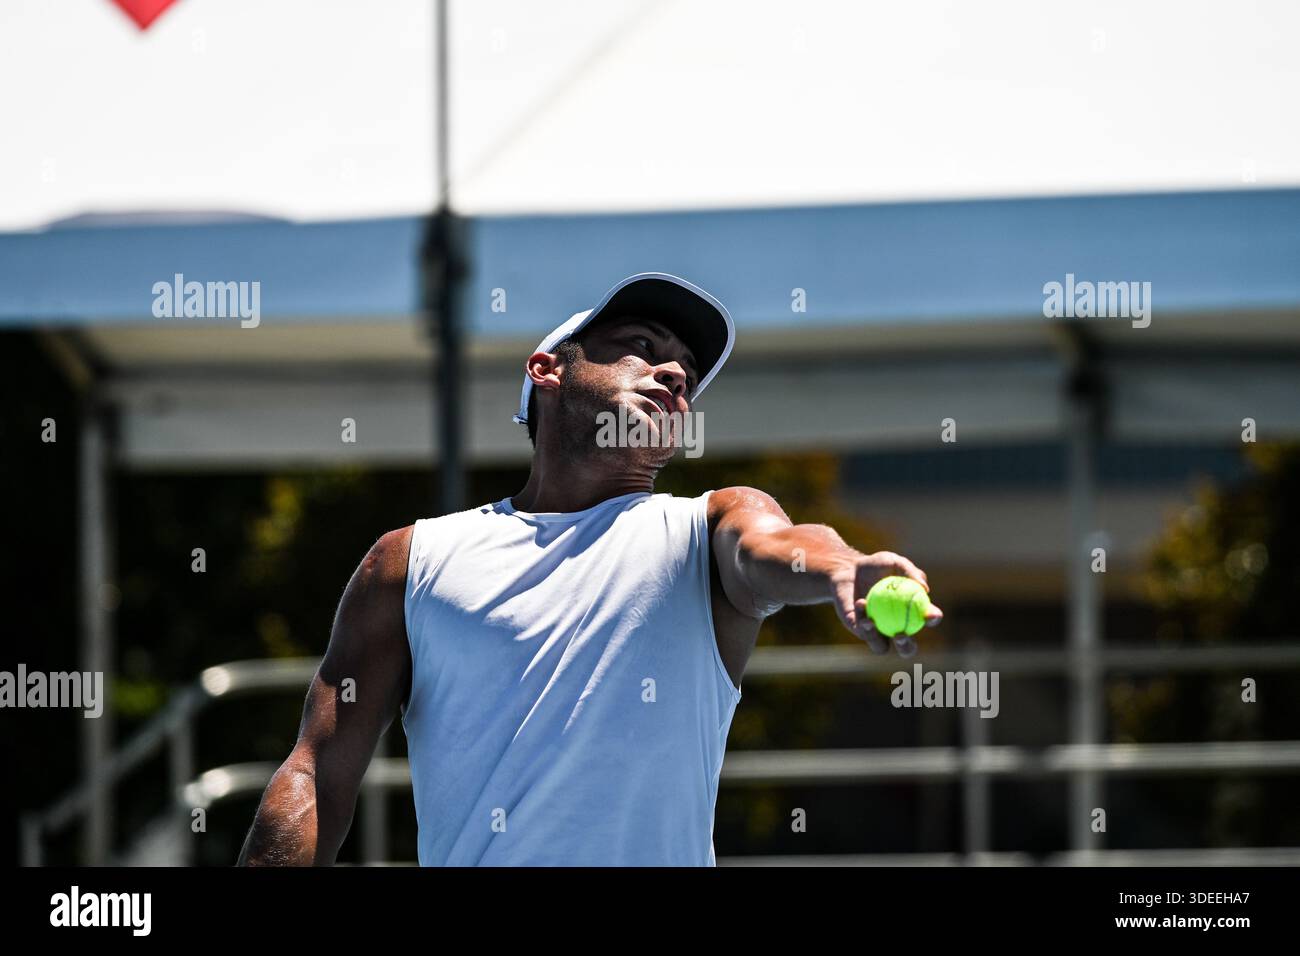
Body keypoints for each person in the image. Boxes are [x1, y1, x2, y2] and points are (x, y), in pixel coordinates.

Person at [237, 272, 943, 866]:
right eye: (641, 347)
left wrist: (842, 566)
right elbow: (316, 773)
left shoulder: (705, 526)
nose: (673, 373)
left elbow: (776, 545)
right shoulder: (408, 561)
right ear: (548, 369)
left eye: (687, 374)